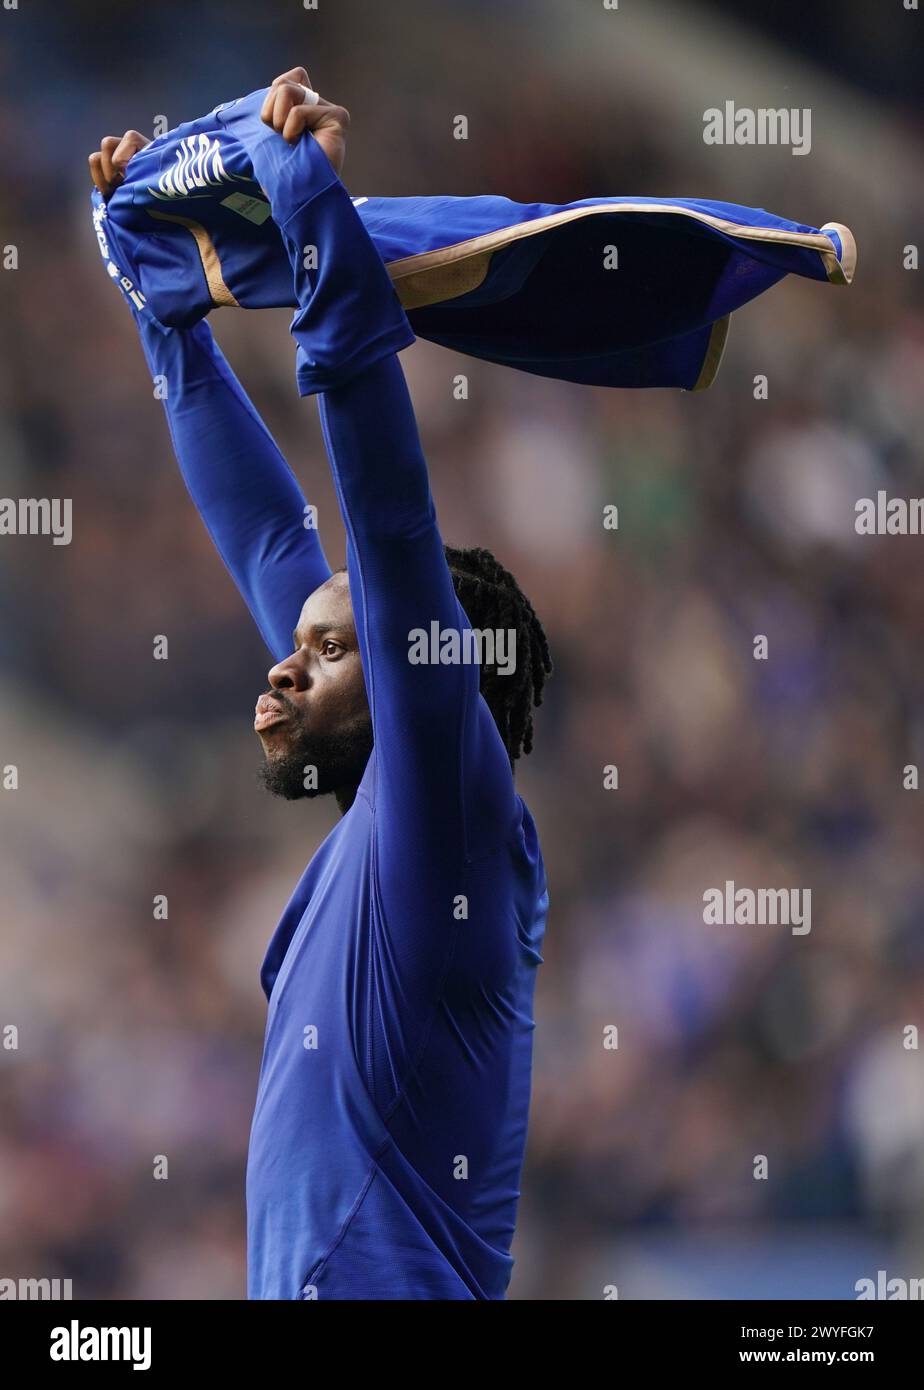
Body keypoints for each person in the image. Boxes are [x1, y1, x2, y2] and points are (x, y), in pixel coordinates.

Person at [89, 68, 551, 1300]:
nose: (287, 656)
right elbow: (266, 541)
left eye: (335, 648)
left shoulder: (453, 824)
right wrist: (165, 310)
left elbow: (389, 529)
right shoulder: (390, 836)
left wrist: (314, 230)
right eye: (310, 639)